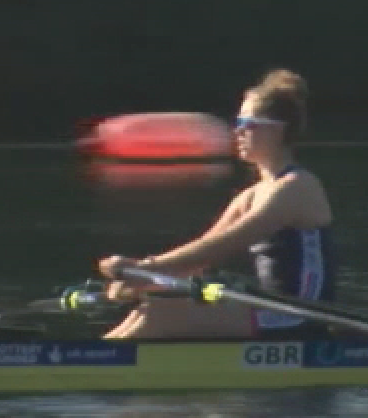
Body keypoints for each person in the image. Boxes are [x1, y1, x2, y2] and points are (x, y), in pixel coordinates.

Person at [97, 69, 335, 339]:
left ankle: (87, 368)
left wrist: (147, 269)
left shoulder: (298, 187)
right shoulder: (249, 197)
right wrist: (141, 281)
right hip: (269, 312)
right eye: (238, 121)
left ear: (279, 129)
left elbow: (220, 247)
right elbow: (199, 261)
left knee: (162, 313)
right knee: (153, 305)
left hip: (299, 317)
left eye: (249, 122)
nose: (239, 131)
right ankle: (91, 360)